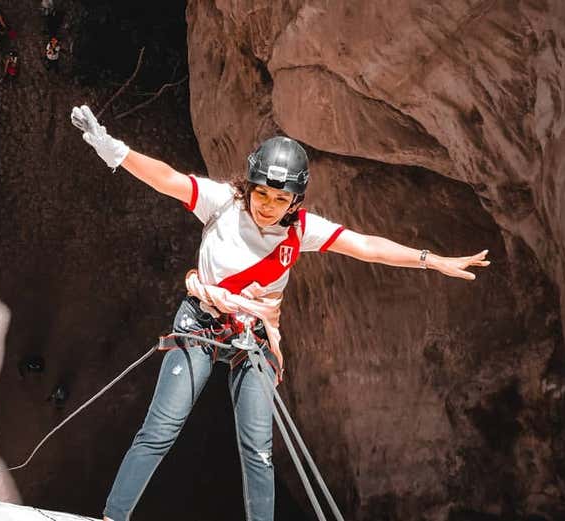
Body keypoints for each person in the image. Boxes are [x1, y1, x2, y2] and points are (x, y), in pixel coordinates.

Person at [69, 104, 490, 521]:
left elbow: (366, 246)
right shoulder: (221, 204)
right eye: (262, 193)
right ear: (248, 186)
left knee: (259, 450)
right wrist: (114, 149)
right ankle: (113, 518)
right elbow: (168, 179)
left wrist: (430, 259)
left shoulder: (302, 229)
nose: (268, 205)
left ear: (295, 201)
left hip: (253, 336)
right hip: (200, 321)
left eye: (280, 197)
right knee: (160, 430)